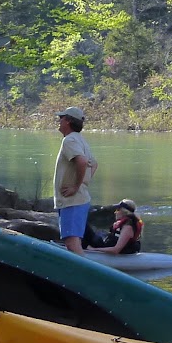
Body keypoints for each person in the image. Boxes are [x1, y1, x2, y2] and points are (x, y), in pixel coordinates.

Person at [51, 105, 97, 253]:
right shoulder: (80, 140)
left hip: (72, 200)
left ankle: (83, 274)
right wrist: (84, 183)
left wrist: (76, 187)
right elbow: (94, 165)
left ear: (69, 121)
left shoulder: (69, 140)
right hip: (77, 199)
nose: (59, 121)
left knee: (71, 242)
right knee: (73, 241)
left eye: (61, 118)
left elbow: (82, 162)